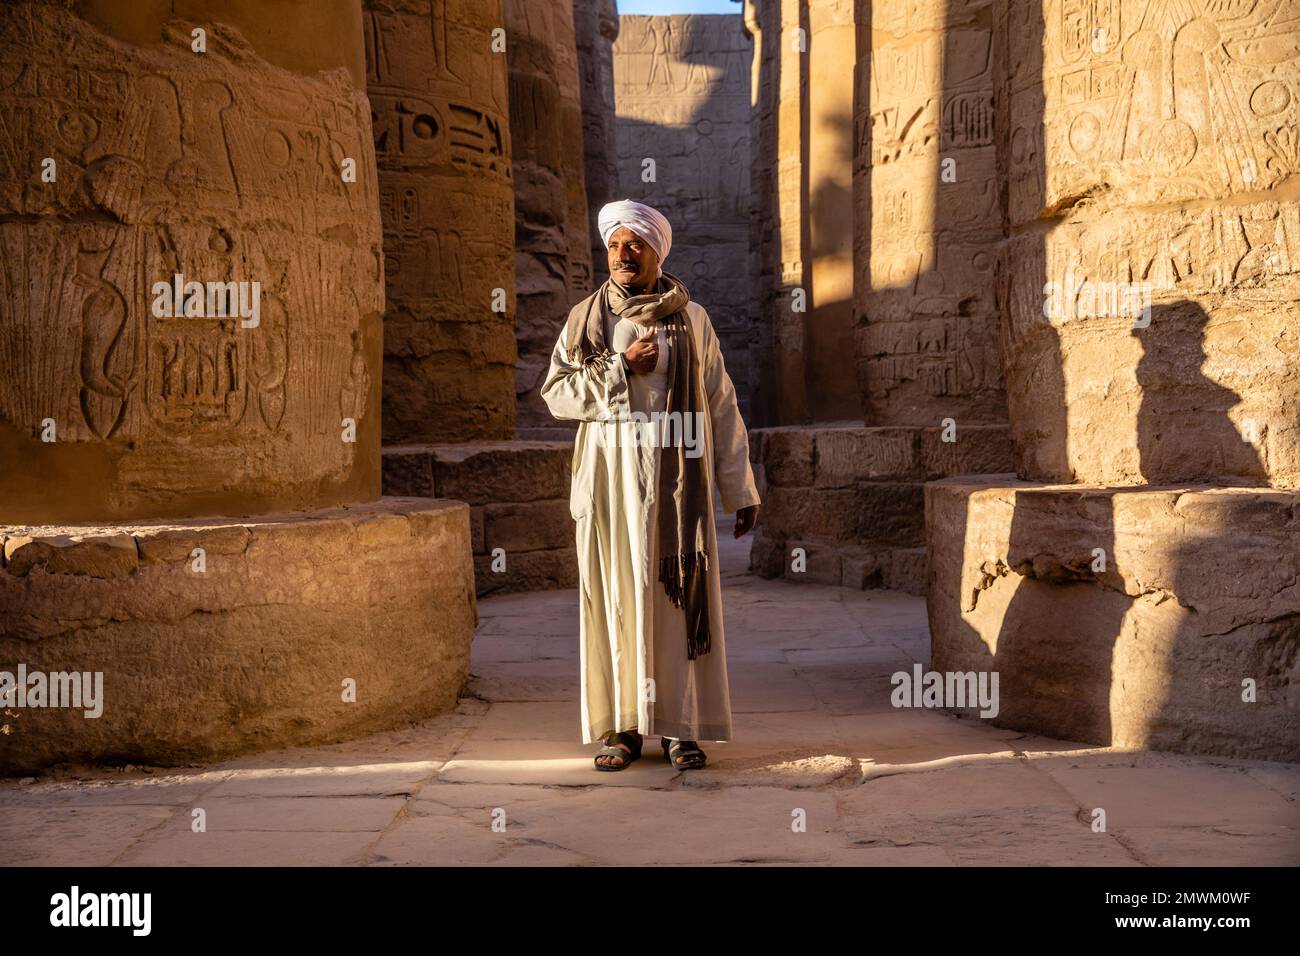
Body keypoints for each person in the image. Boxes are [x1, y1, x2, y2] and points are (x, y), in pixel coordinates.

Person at [540, 198, 760, 772]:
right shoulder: (587, 319)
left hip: (676, 493)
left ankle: (680, 728)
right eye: (614, 245)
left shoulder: (692, 320)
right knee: (615, 601)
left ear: (657, 252)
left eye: (634, 245)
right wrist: (619, 367)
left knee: (673, 599)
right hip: (609, 487)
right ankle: (622, 728)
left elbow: (720, 402)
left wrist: (740, 488)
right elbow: (556, 395)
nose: (622, 254)